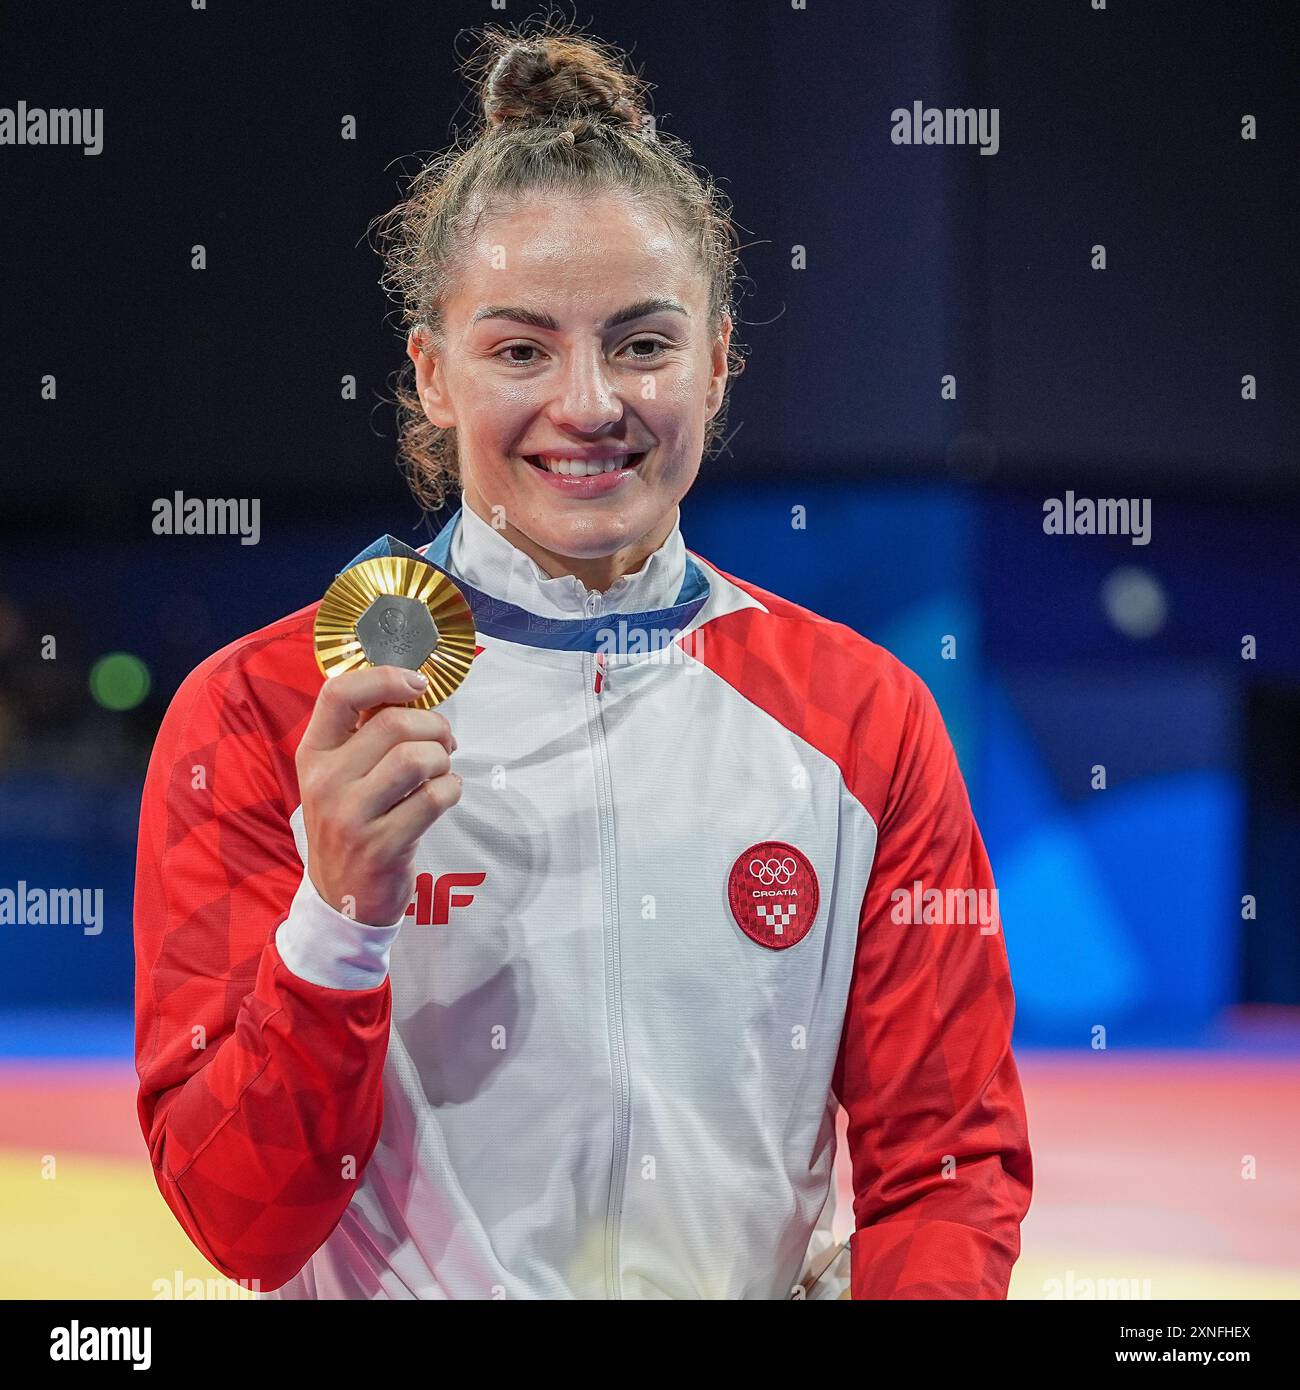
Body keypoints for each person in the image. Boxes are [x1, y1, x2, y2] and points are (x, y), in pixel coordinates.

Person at [133, 20, 1032, 1300]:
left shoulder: (863, 716)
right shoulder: (261, 714)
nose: (590, 402)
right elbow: (241, 1223)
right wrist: (334, 921)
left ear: (718, 366)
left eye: (643, 342)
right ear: (431, 374)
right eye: (518, 349)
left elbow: (944, 1165)